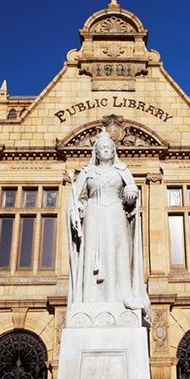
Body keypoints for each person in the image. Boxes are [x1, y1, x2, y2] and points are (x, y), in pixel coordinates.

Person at [66, 131, 150, 320]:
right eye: (102, 148)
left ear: (113, 151)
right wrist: (77, 208)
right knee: (92, 255)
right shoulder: (87, 173)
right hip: (93, 215)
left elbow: (132, 198)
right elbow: (74, 201)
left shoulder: (122, 171)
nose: (106, 150)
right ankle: (89, 298)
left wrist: (131, 197)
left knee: (118, 253)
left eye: (109, 148)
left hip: (115, 214)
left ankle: (122, 296)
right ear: (96, 152)